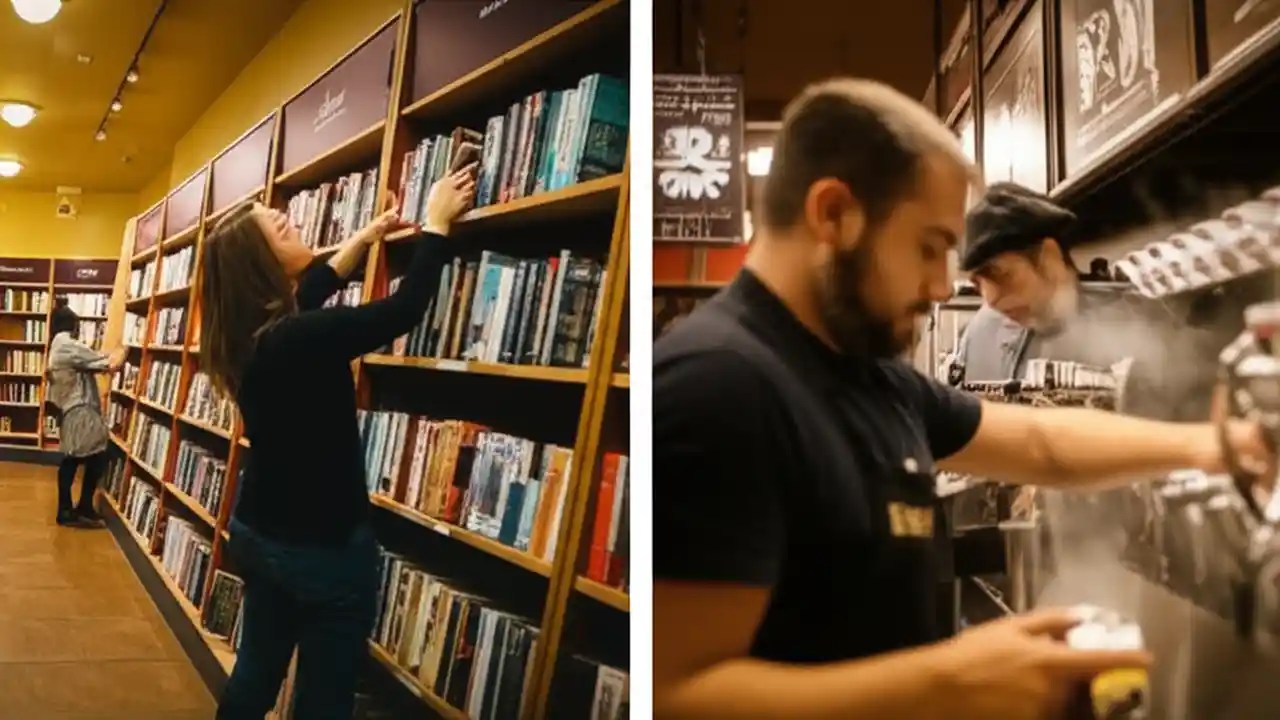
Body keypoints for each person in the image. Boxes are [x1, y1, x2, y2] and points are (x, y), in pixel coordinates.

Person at [652, 78, 1271, 720]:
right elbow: (673, 695)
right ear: (833, 214)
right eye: (931, 247)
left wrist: (1216, 444)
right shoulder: (717, 386)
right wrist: (953, 681)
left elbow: (1040, 443)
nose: (944, 287)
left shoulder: (865, 374)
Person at [199, 165, 475, 719]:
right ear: (263, 267)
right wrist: (437, 223)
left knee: (255, 671)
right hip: (322, 549)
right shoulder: (300, 337)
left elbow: (317, 284)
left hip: (259, 531)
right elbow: (402, 311)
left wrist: (363, 237)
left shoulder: (248, 334)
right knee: (322, 700)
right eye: (281, 230)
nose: (293, 224)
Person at [953, 181, 1213, 420]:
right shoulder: (979, 334)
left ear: (1049, 258)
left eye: (1000, 274)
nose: (990, 299)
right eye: (977, 283)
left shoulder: (1142, 323)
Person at [45, 302, 124, 528]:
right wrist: (124, 348)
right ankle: (75, 509)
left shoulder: (57, 346)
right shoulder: (66, 345)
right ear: (72, 327)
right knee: (92, 455)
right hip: (81, 410)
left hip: (73, 410)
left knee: (76, 457)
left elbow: (91, 363)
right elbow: (108, 363)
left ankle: (72, 508)